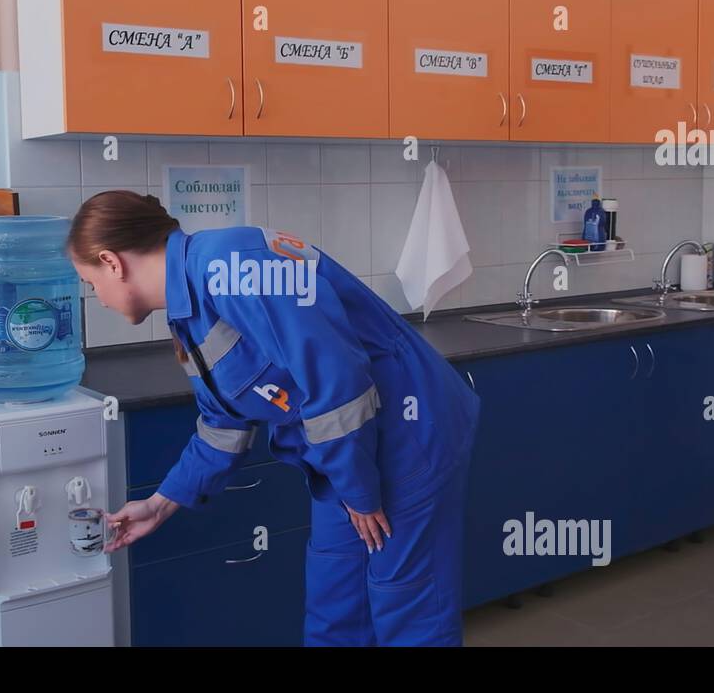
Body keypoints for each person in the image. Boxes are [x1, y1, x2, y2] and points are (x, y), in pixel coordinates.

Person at [66, 190, 481, 646]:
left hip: (408, 432)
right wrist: (161, 504)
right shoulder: (189, 311)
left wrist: (361, 493)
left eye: (90, 284)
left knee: (403, 600)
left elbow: (338, 382)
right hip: (346, 454)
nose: (97, 298)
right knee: (335, 600)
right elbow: (223, 425)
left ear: (111, 261)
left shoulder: (232, 264)